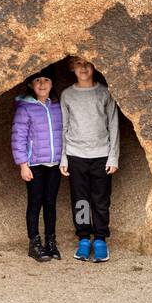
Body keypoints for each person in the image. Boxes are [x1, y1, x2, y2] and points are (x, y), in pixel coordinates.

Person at [60, 57, 119, 262]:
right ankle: (84, 238)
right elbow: (63, 127)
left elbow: (113, 125)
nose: (83, 68)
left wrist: (113, 156)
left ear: (94, 67)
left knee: (101, 200)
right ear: (72, 69)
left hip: (101, 155)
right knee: (81, 200)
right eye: (78, 64)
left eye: (87, 64)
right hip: (76, 155)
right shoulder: (67, 95)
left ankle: (100, 239)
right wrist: (63, 158)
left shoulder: (104, 92)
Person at [10, 69, 64, 262]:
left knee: (50, 203)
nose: (42, 84)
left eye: (46, 80)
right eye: (37, 81)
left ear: (52, 84)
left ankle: (51, 242)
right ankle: (34, 243)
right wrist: (23, 164)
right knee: (35, 203)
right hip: (34, 164)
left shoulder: (57, 106)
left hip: (54, 163)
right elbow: (18, 137)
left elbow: (64, 133)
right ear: (31, 85)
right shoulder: (25, 108)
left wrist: (64, 160)